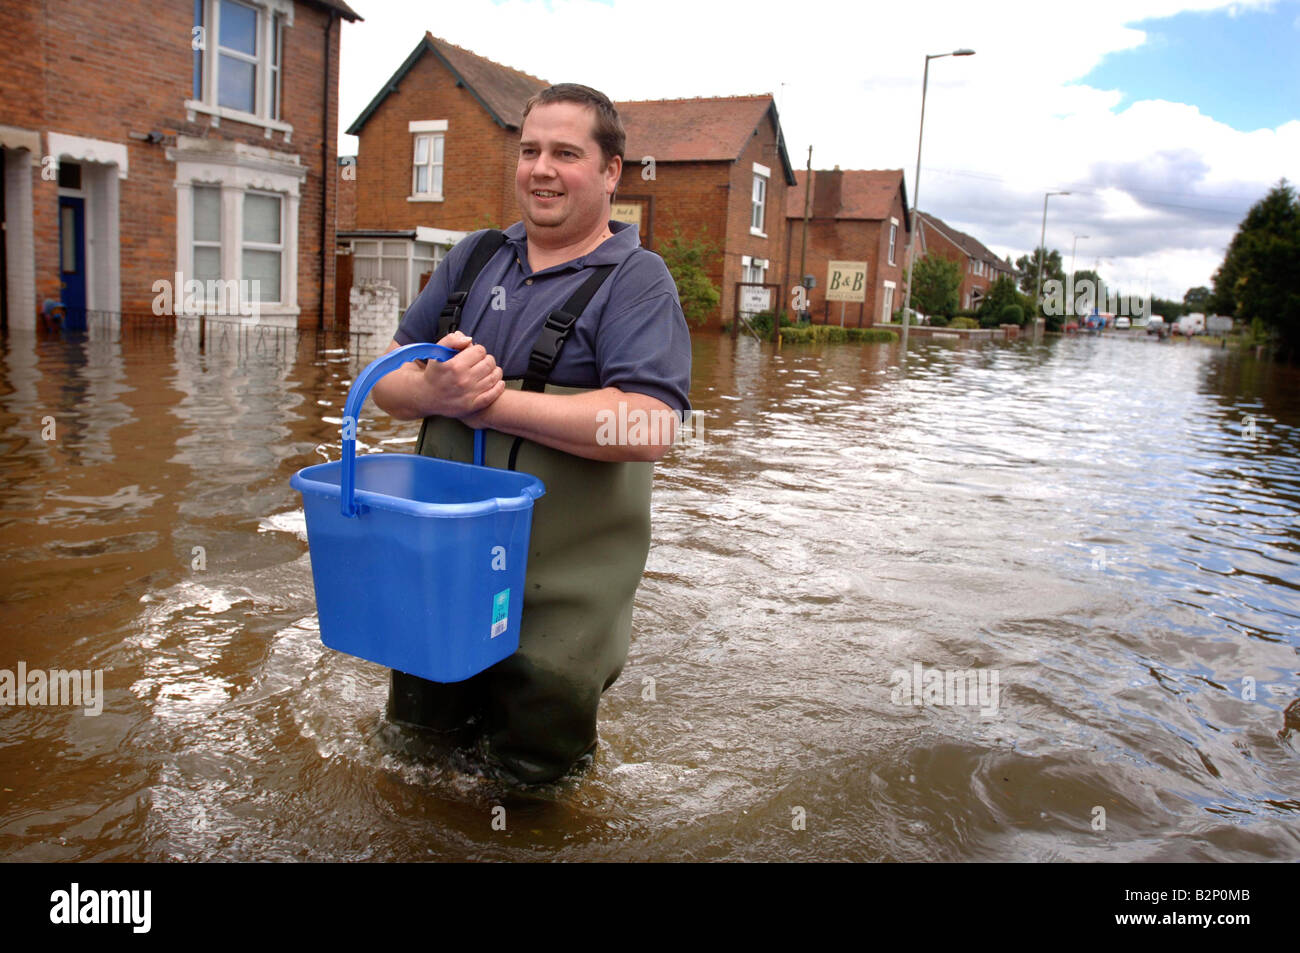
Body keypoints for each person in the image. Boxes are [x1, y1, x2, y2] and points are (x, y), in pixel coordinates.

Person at [369, 83, 692, 784]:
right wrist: (431, 389)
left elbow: (650, 423)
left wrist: (489, 405)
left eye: (566, 153)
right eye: (530, 150)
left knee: (531, 787)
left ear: (611, 172)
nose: (541, 168)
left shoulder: (638, 281)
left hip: (561, 598)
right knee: (412, 760)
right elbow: (380, 383)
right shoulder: (475, 256)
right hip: (444, 573)